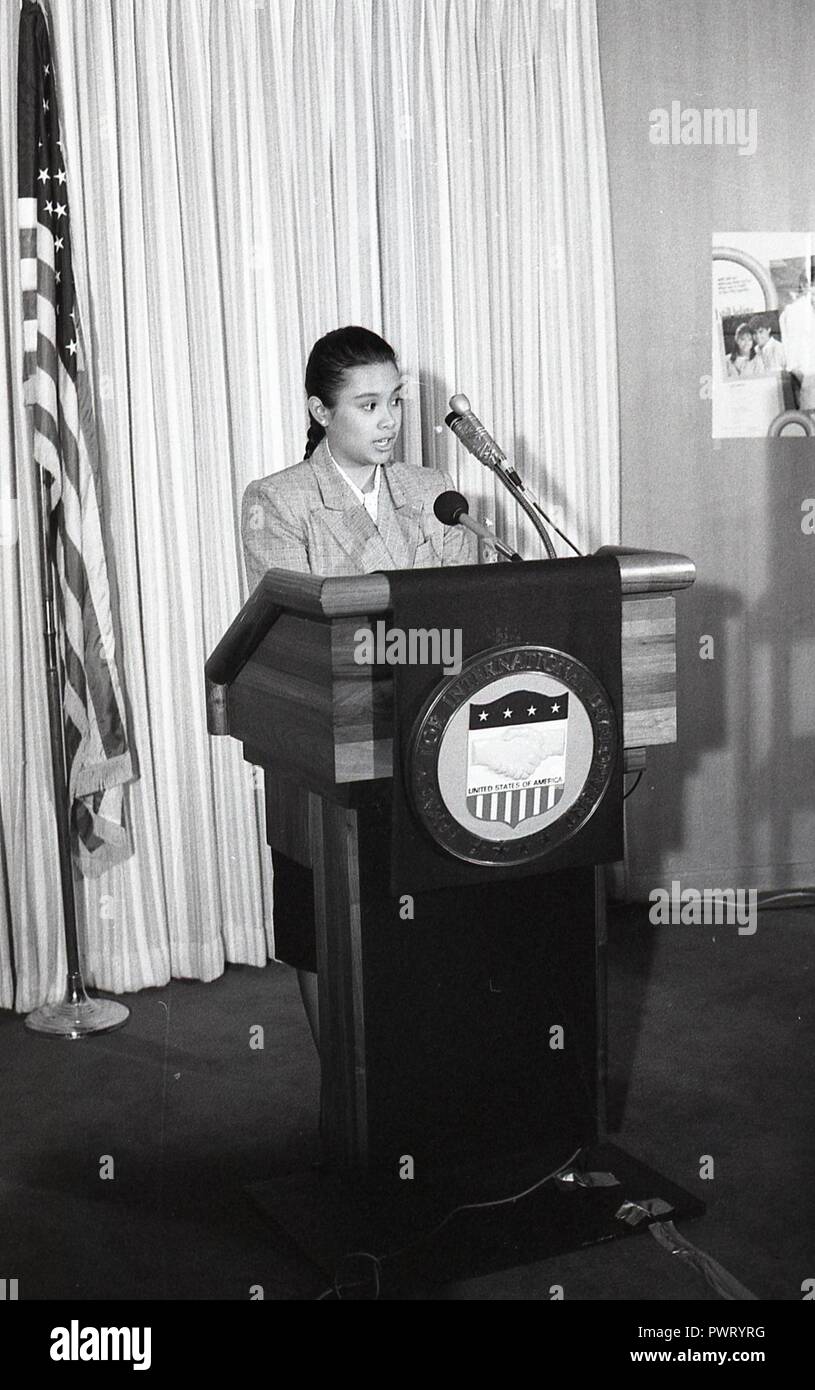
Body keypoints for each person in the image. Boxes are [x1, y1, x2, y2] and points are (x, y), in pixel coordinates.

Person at [241, 326, 477, 1047]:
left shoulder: (432, 492)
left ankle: (423, 1076)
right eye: (368, 405)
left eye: (396, 402)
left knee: (429, 920)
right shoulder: (278, 500)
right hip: (322, 739)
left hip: (430, 734)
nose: (389, 421)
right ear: (320, 411)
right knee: (325, 920)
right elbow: (301, 628)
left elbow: (467, 608)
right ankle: (343, 1088)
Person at [780, 260, 815, 410]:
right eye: (811, 285)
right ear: (804, 285)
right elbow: (791, 360)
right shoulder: (793, 312)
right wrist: (809, 383)